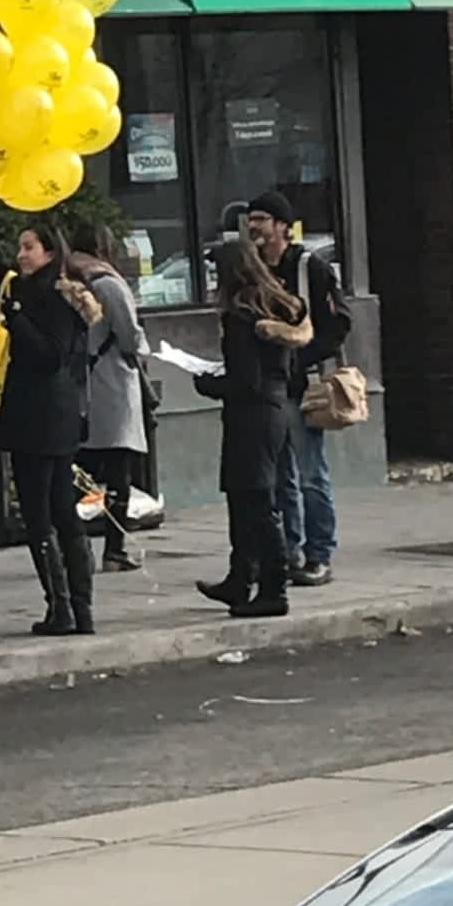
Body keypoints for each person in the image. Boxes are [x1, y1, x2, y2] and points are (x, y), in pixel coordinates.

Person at [0, 222, 101, 636]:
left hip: (41, 418)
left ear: (51, 253)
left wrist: (16, 319)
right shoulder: (35, 291)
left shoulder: (53, 299)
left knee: (45, 515)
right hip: (52, 416)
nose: (21, 256)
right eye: (19, 247)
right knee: (58, 510)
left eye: (29, 247)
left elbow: (49, 355)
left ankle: (66, 606)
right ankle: (73, 606)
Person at [193, 235, 313, 619]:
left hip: (252, 415)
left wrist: (207, 383)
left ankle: (273, 587)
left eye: (217, 272)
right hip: (273, 410)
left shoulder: (241, 316)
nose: (213, 281)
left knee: (257, 503)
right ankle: (240, 577)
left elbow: (245, 381)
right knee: (245, 498)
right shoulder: (276, 304)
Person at [247, 190, 349, 587]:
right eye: (251, 218)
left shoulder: (310, 268)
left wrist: (300, 357)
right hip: (268, 387)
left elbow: (338, 325)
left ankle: (319, 554)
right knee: (279, 476)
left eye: (262, 218)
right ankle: (289, 550)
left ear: (282, 227)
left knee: (309, 472)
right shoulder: (255, 270)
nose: (254, 225)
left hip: (301, 383)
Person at [71, 219, 150, 573]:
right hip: (112, 382)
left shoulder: (68, 282)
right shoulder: (108, 283)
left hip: (80, 383)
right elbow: (130, 337)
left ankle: (70, 541)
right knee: (118, 467)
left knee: (80, 465)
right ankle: (114, 550)